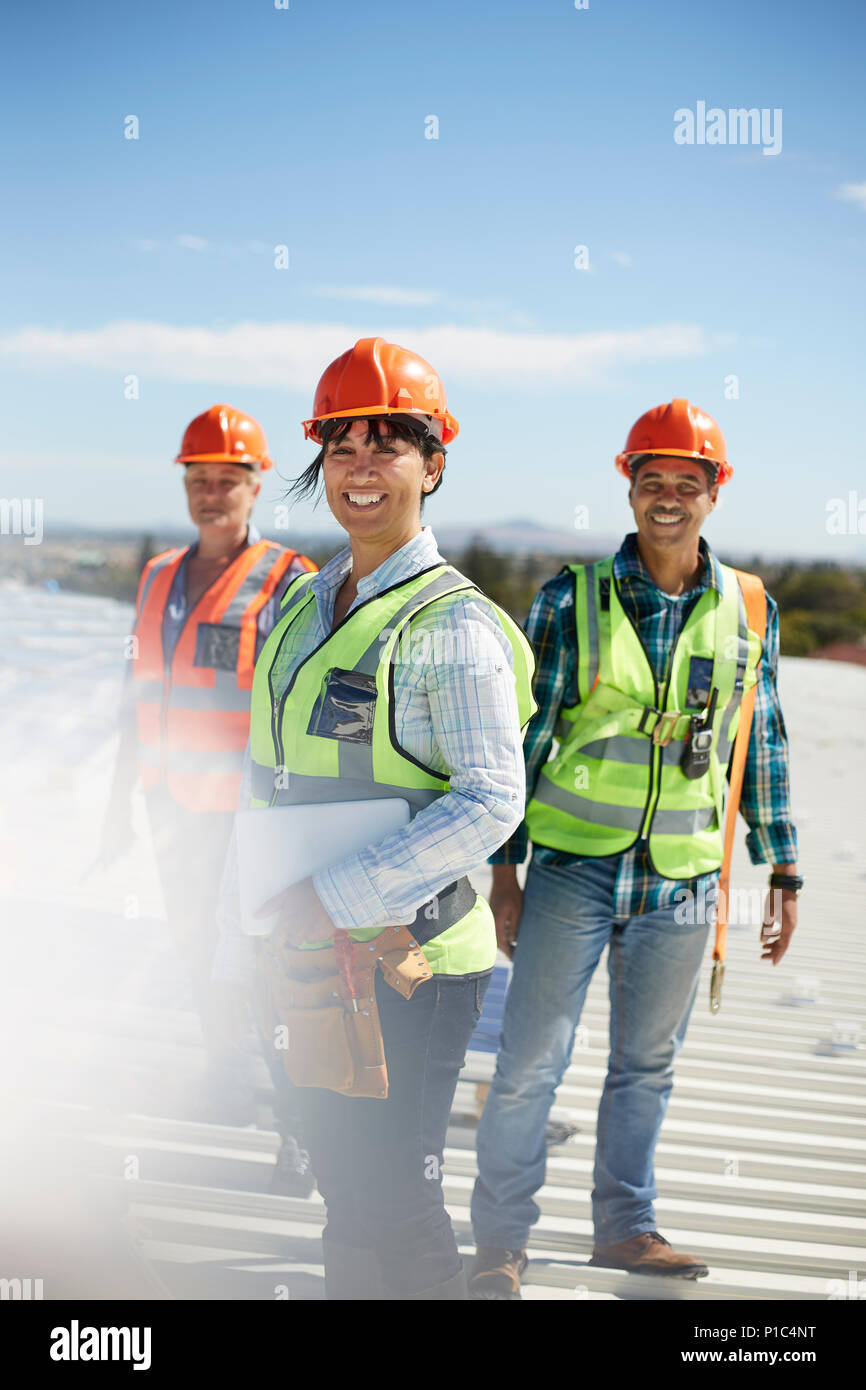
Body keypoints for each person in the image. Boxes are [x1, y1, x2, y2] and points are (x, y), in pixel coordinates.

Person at [214, 337, 537, 1300]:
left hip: (413, 964)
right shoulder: (308, 604)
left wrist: (332, 895)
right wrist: (256, 924)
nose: (362, 465)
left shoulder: (452, 624)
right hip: (307, 950)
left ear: (431, 466)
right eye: (342, 444)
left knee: (393, 1191)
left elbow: (492, 799)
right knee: (345, 1189)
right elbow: (270, 778)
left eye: (388, 442)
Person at [469, 399, 802, 1297]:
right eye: (651, 481)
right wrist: (504, 873)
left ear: (713, 493)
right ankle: (501, 1241)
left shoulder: (749, 606)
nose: (667, 498)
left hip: (686, 880)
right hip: (575, 869)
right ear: (629, 485)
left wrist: (784, 864)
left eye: (685, 483)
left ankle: (626, 1227)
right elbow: (520, 748)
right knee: (531, 1061)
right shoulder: (568, 600)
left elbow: (758, 739)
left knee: (646, 1068)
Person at [102, 404, 317, 1151]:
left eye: (228, 479)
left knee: (268, 965)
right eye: (200, 478)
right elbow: (135, 694)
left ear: (257, 486)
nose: (212, 493)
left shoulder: (290, 580)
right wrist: (117, 805)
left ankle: (300, 1122)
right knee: (197, 949)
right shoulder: (160, 574)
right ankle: (226, 1086)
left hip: (249, 817)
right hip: (172, 808)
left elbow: (305, 712)